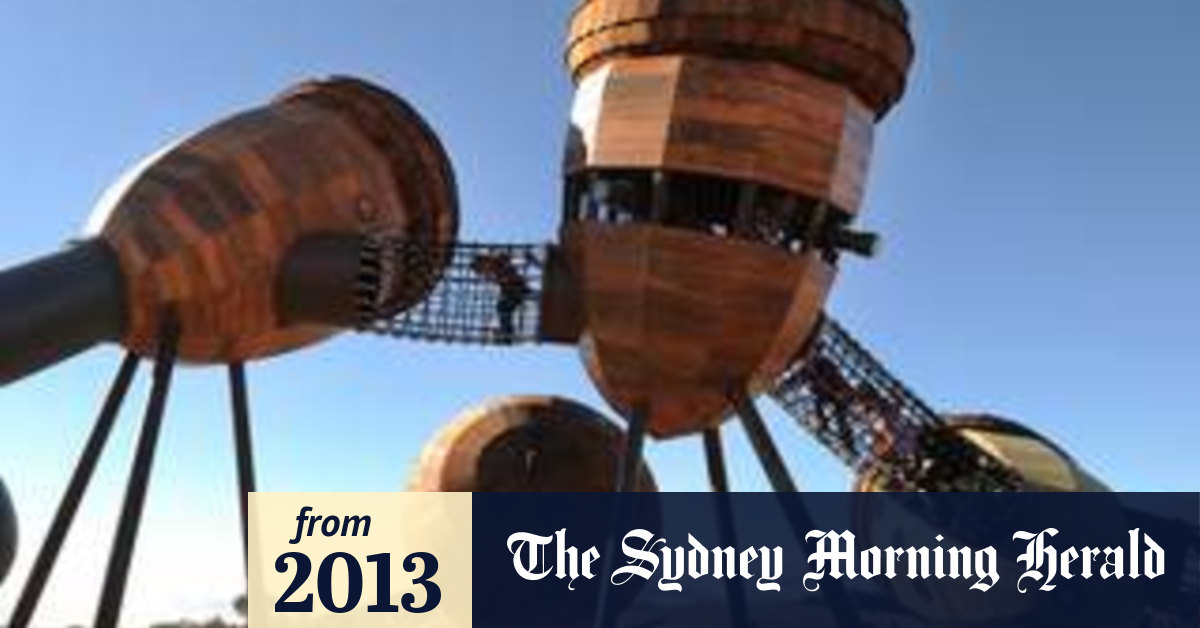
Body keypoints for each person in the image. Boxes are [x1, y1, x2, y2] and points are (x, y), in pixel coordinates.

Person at [471, 252, 534, 343]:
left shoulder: (499, 263)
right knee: (503, 309)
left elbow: (514, 261)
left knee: (503, 308)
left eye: (481, 271)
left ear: (484, 263)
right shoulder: (496, 268)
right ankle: (505, 334)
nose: (484, 274)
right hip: (513, 292)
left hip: (518, 292)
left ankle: (507, 335)